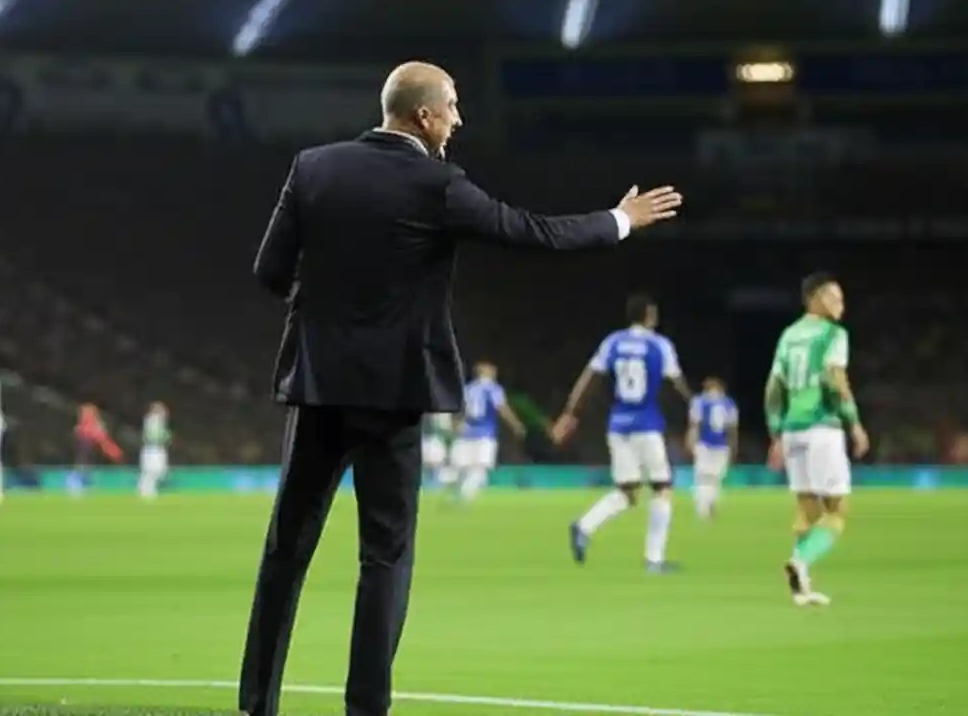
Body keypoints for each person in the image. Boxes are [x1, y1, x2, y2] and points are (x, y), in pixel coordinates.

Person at [238, 60, 683, 716]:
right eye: (453, 107)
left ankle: (256, 705)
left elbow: (270, 271)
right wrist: (619, 219)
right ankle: (365, 709)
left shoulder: (313, 167)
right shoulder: (438, 184)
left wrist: (326, 310)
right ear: (424, 115)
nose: (459, 119)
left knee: (286, 550)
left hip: (318, 387)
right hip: (393, 398)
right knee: (383, 557)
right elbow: (533, 232)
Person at [553, 294, 693, 573]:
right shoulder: (660, 345)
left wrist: (570, 412)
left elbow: (589, 378)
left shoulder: (612, 342)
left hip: (618, 424)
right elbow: (677, 385)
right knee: (662, 487)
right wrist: (693, 407)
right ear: (650, 315)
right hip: (646, 424)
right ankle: (654, 559)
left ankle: (584, 526)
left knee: (627, 492)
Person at [764, 272, 869, 607]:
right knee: (837, 511)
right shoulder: (832, 334)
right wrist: (854, 422)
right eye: (834, 298)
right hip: (822, 426)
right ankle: (800, 562)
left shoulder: (789, 335)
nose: (841, 305)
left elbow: (773, 388)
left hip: (793, 428)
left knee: (807, 510)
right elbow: (835, 378)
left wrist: (776, 432)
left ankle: (802, 588)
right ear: (815, 298)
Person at [449, 361, 525, 503]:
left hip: (466, 433)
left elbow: (459, 410)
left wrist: (455, 426)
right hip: (484, 434)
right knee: (480, 468)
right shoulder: (493, 389)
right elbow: (502, 407)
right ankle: (464, 497)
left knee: (460, 467)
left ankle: (455, 493)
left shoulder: (468, 389)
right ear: (487, 373)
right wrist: (516, 425)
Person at [687, 376, 739, 520]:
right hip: (721, 445)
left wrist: (690, 442)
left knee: (703, 477)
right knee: (716, 478)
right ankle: (710, 505)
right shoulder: (729, 403)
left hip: (704, 443)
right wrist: (734, 446)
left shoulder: (699, 401)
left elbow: (694, 425)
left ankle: (702, 508)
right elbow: (732, 429)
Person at [138, 401, 171, 501]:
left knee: (158, 470)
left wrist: (166, 437)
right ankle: (145, 490)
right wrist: (165, 437)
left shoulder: (159, 422)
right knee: (150, 470)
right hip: (151, 448)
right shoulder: (151, 420)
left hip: (158, 448)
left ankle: (148, 489)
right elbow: (151, 435)